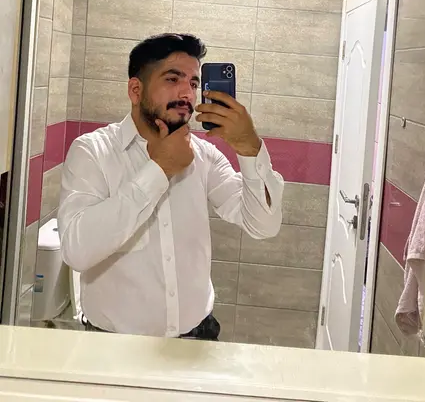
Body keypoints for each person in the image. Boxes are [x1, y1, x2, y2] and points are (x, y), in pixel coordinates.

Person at [58, 33, 284, 339]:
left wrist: (249, 147)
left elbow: (263, 225)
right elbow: (76, 251)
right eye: (173, 79)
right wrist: (160, 169)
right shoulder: (93, 151)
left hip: (198, 338)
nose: (187, 92)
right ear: (135, 90)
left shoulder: (204, 156)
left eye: (193, 82)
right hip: (113, 345)